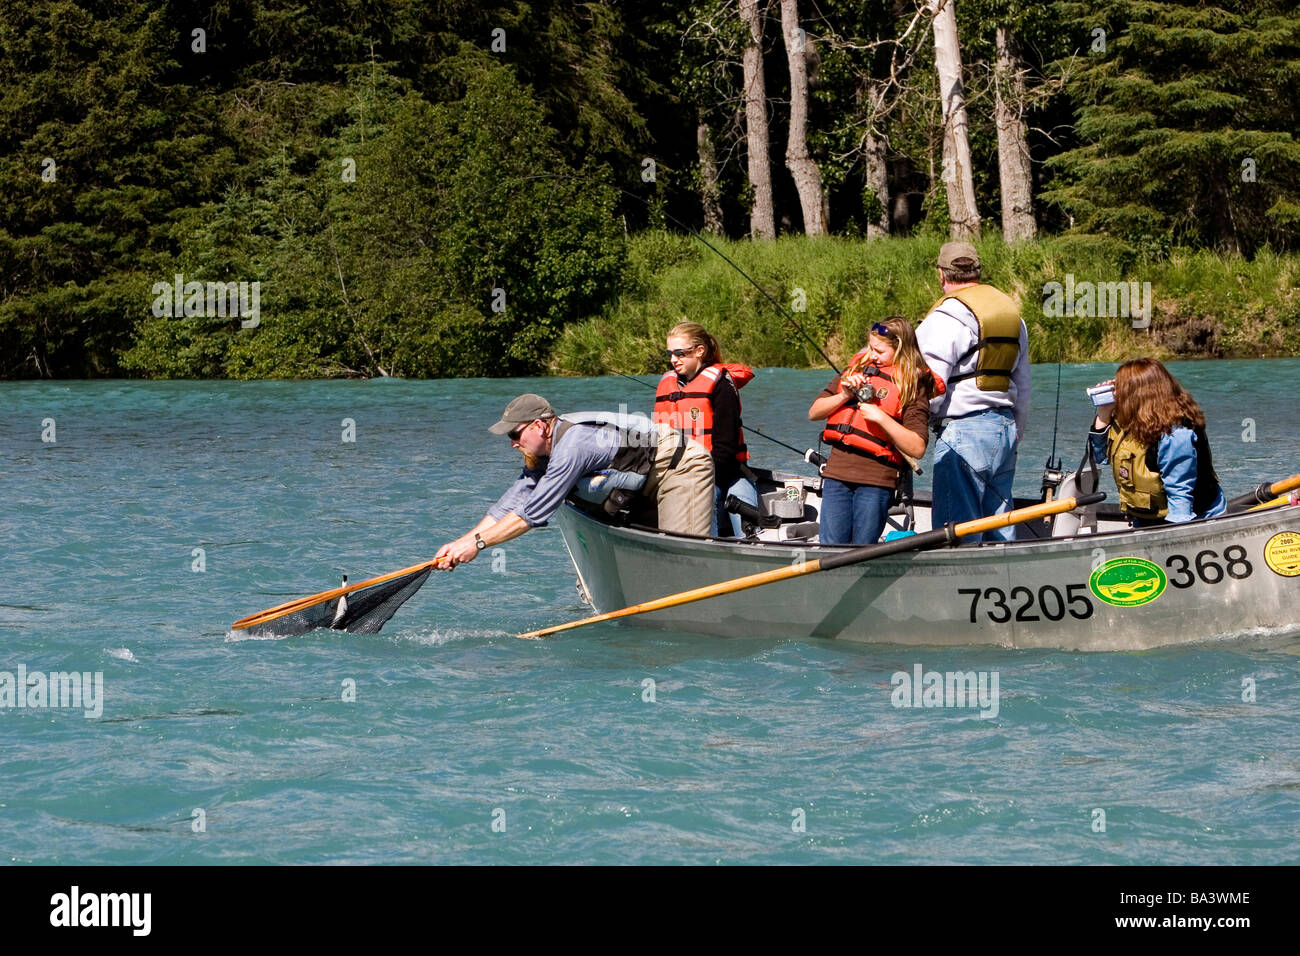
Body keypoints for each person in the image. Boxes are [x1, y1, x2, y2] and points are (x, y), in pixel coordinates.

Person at [434, 394, 714, 567]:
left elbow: (530, 515)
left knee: (684, 558)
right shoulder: (545, 451)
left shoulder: (572, 448)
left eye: (514, 435)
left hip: (681, 466)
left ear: (539, 426)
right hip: (647, 476)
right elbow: (512, 503)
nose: (512, 444)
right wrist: (461, 542)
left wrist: (479, 545)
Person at [915, 241, 1030, 542]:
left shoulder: (944, 318)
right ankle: (1000, 585)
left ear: (942, 275)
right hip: (1005, 429)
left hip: (963, 434)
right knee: (1000, 525)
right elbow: (1023, 381)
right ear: (978, 271)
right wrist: (1017, 428)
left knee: (957, 532)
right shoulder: (1012, 316)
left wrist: (914, 431)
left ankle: (959, 584)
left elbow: (928, 386)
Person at [808, 317, 941, 545]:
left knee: (862, 549)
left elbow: (917, 447)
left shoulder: (912, 385)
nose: (872, 354)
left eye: (879, 350)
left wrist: (881, 417)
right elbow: (814, 412)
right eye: (870, 347)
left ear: (899, 349)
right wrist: (845, 395)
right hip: (837, 474)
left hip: (876, 480)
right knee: (830, 548)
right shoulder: (857, 368)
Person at [1088, 359, 1225, 525]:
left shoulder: (1176, 434)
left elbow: (1180, 495)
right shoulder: (1129, 420)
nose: (1116, 392)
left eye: (1120, 387)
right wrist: (1104, 412)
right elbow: (1100, 457)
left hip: (1196, 517)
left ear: (1137, 394)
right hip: (1146, 518)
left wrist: (1172, 540)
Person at [653, 321, 759, 537]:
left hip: (726, 472)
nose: (673, 359)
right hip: (682, 474)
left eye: (680, 353)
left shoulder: (721, 385)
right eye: (670, 353)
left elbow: (725, 447)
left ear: (700, 351)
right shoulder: (668, 384)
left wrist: (702, 479)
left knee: (750, 529)